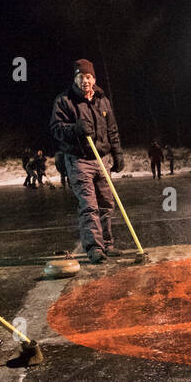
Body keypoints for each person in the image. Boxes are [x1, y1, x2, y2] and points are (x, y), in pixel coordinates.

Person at [50, 59, 125, 263]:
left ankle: (107, 245)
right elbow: (56, 129)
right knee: (89, 206)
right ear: (75, 79)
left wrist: (117, 153)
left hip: (102, 159)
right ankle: (94, 248)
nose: (85, 81)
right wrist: (74, 129)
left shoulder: (103, 100)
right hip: (79, 161)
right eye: (81, 77)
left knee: (107, 204)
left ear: (94, 79)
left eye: (88, 76)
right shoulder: (64, 101)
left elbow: (112, 130)